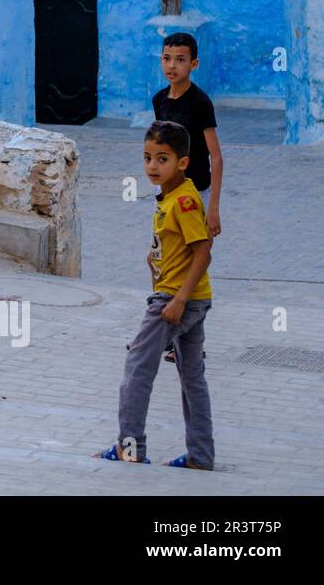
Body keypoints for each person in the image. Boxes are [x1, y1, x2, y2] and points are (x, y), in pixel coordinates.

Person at [96, 120, 215, 469]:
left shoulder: (185, 202)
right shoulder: (172, 196)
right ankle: (201, 456)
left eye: (162, 159)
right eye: (148, 158)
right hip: (186, 298)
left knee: (137, 369)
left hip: (174, 302)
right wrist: (155, 260)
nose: (152, 166)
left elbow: (203, 250)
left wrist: (178, 300)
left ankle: (129, 449)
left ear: (182, 162)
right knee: (192, 377)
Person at [152, 31, 223, 363]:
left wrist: (214, 209)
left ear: (193, 64)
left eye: (180, 60)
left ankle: (193, 341)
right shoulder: (159, 100)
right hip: (169, 195)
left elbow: (216, 157)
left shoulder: (200, 102)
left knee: (197, 258)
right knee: (161, 259)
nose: (172, 65)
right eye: (167, 58)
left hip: (196, 195)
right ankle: (166, 332)